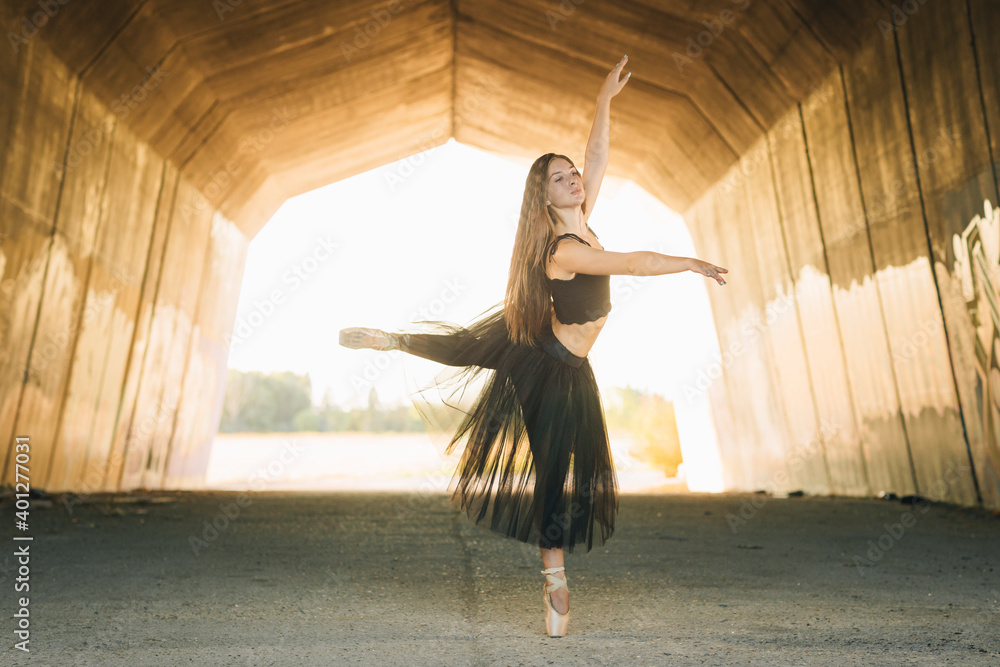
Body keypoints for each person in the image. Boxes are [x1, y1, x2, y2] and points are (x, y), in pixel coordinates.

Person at [339, 55, 728, 637]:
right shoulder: (565, 250)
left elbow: (597, 155)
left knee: (553, 451)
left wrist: (603, 100)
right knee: (524, 429)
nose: (574, 178)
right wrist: (688, 262)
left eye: (572, 173)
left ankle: (554, 577)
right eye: (559, 178)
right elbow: (635, 263)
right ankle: (555, 583)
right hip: (542, 363)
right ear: (544, 199)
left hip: (574, 368)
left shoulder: (583, 220)